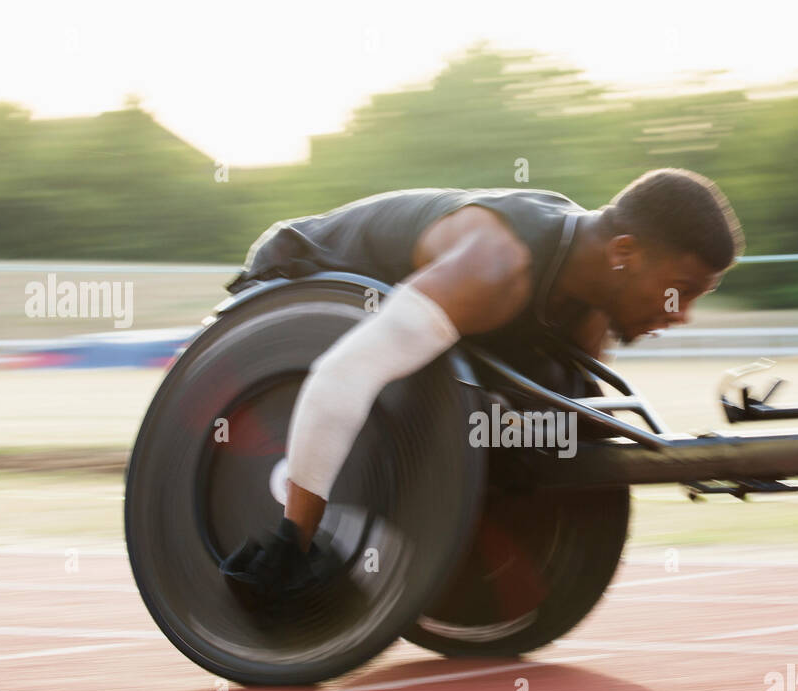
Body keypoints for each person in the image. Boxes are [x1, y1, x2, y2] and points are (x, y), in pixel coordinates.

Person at [219, 168, 743, 611]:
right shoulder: (492, 268)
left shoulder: (587, 311)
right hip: (296, 278)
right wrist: (294, 542)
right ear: (623, 253)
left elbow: (564, 437)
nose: (682, 315)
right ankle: (303, 505)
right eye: (683, 291)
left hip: (416, 323)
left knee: (550, 413)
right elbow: (342, 376)